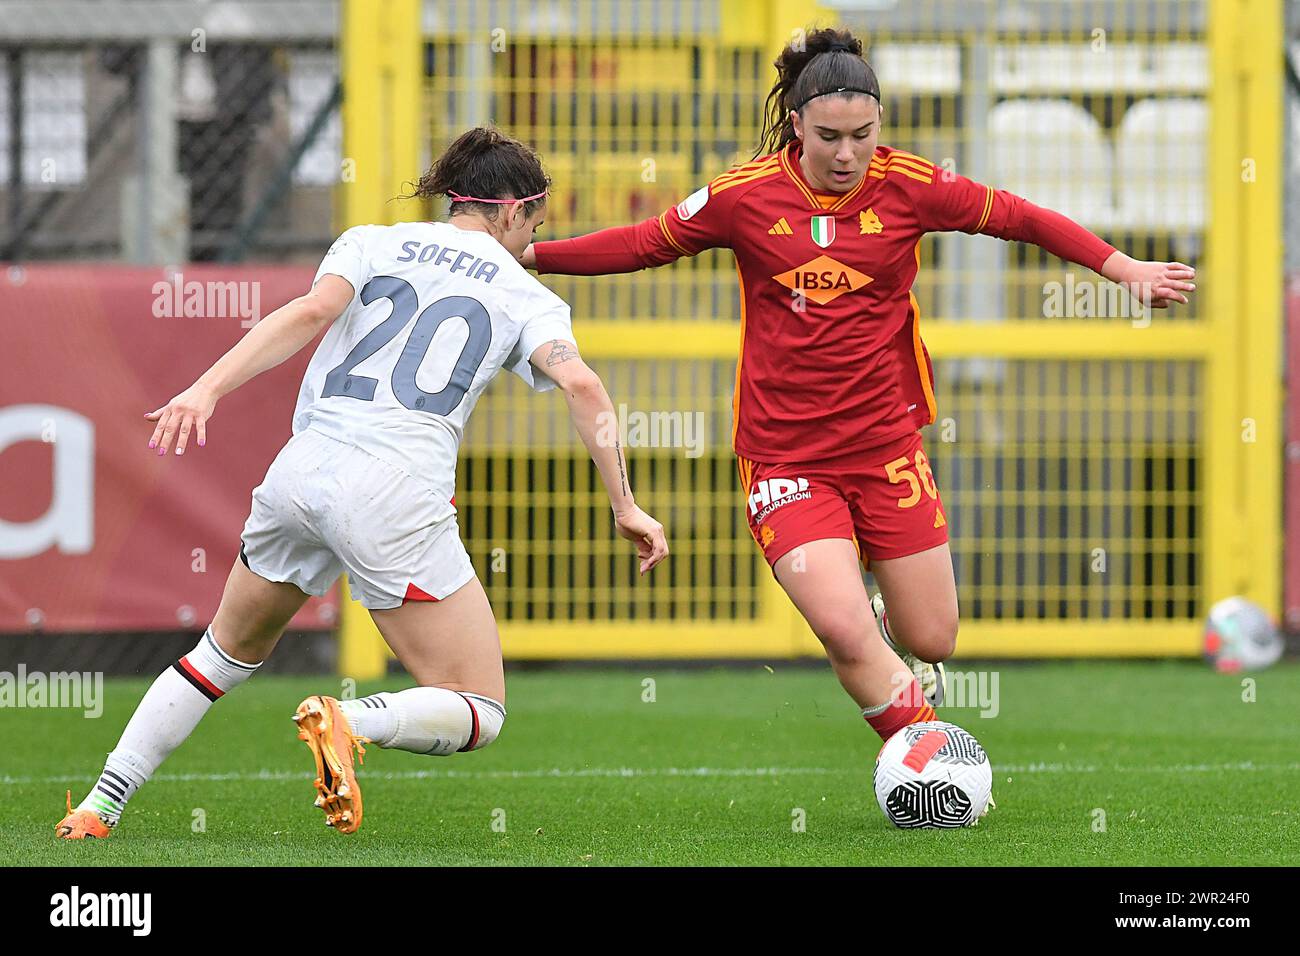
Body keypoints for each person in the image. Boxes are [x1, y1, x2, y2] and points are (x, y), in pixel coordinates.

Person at [522, 27, 1195, 761]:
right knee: (843, 631)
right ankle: (933, 763)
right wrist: (529, 257)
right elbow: (644, 242)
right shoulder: (742, 198)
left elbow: (1017, 216)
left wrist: (1119, 265)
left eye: (863, 135)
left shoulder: (909, 185)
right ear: (796, 126)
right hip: (784, 460)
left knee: (932, 638)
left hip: (886, 448)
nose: (847, 154)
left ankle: (890, 639)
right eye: (830, 137)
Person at [56, 126, 669, 838]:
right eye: (534, 224)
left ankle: (100, 806)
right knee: (480, 708)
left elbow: (312, 312)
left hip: (302, 469)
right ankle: (351, 721)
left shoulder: (372, 239)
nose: (531, 241)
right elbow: (584, 387)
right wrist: (624, 504)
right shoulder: (523, 292)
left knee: (219, 656)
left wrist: (206, 389)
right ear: (510, 212)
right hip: (395, 492)